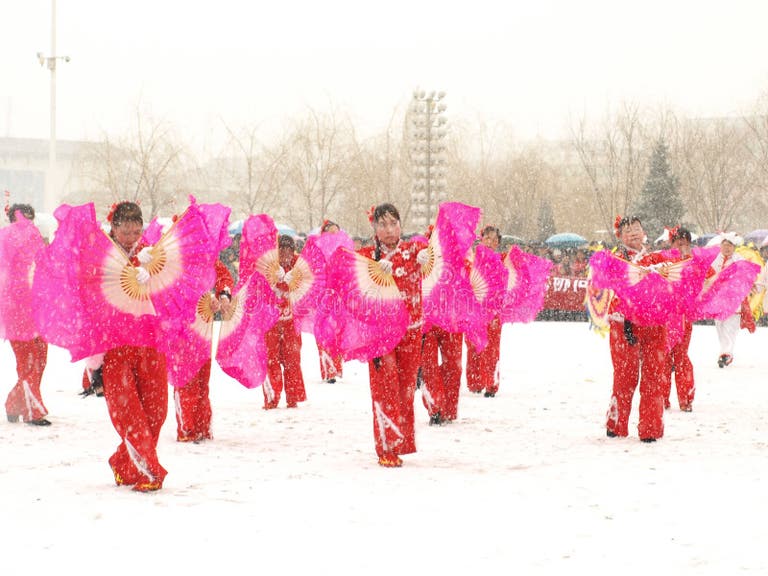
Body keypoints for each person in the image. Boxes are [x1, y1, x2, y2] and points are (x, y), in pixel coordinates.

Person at [102, 201, 169, 492]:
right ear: (114, 229)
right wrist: (127, 271)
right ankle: (149, 472)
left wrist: (152, 272)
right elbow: (93, 292)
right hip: (116, 345)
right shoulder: (102, 255)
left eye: (135, 231)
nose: (131, 238)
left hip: (150, 342)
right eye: (125, 231)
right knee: (128, 411)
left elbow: (169, 291)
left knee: (156, 411)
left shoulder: (153, 254)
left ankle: (123, 461)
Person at [358, 203, 428, 467]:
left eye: (393, 223)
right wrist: (373, 273)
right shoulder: (367, 257)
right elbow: (354, 289)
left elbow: (433, 253)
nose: (389, 230)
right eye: (383, 224)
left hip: (412, 332)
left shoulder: (414, 251)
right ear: (374, 228)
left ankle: (401, 442)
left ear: (400, 225)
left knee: (406, 389)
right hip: (381, 335)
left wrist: (427, 257)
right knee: (385, 388)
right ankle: (387, 447)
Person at [605, 215, 669, 443]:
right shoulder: (616, 260)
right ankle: (617, 423)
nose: (633, 232)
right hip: (624, 322)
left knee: (654, 375)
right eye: (628, 230)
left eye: (636, 228)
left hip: (655, 321)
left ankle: (650, 427)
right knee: (625, 376)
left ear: (644, 232)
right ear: (620, 236)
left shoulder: (658, 259)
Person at [173, 259, 233, 442]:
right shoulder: (175, 257)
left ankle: (202, 426)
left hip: (204, 328)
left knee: (202, 382)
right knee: (185, 380)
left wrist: (222, 296)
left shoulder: (207, 256)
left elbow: (223, 277)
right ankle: (187, 428)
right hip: (182, 329)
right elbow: (170, 289)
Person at [4, 203, 51, 426]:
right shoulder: (4, 249)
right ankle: (33, 411)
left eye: (29, 221)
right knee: (28, 362)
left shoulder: (38, 245)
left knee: (40, 360)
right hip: (16, 316)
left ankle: (14, 403)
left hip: (37, 313)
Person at [263, 234, 307, 409]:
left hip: (291, 322)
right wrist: (272, 283)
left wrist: (294, 281)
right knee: (270, 359)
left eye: (289, 250)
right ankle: (271, 397)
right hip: (270, 323)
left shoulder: (299, 267)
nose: (285, 254)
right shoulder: (269, 266)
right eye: (282, 250)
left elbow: (308, 286)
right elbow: (257, 285)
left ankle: (293, 396)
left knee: (292, 360)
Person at [466, 226, 503, 398]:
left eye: (494, 239)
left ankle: (490, 383)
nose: (490, 242)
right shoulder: (471, 259)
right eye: (487, 238)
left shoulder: (501, 261)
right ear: (481, 240)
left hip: (494, 311)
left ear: (497, 243)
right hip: (474, 310)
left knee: (492, 348)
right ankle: (475, 382)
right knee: (473, 346)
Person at [662, 227, 695, 412]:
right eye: (678, 242)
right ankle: (662, 398)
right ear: (671, 242)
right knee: (664, 358)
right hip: (665, 317)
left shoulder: (692, 262)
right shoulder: (661, 260)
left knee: (681, 358)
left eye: (685, 243)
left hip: (684, 317)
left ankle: (685, 399)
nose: (682, 246)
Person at [710, 233, 748, 368]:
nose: (727, 248)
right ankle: (724, 351)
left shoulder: (739, 260)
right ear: (720, 246)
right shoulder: (715, 260)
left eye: (729, 245)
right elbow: (708, 276)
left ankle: (727, 353)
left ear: (734, 247)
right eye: (724, 245)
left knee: (730, 327)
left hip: (733, 299)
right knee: (720, 326)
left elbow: (745, 277)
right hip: (717, 300)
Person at [316, 219, 344, 383]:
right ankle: (328, 370)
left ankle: (337, 367)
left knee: (337, 333)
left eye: (336, 233)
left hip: (338, 298)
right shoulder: (317, 252)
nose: (334, 236)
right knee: (323, 333)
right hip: (321, 298)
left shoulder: (342, 252)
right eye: (331, 233)